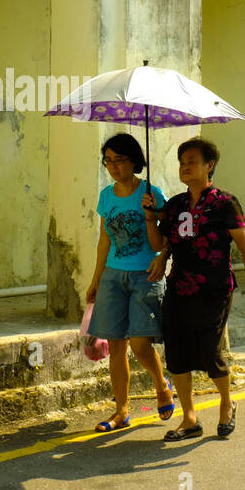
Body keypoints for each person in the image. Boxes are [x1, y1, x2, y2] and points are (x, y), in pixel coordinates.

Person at [143, 136, 245, 440]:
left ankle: (227, 403)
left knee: (209, 350)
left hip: (214, 290)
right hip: (178, 289)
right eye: (182, 163)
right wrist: (151, 218)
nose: (185, 168)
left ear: (209, 165)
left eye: (192, 162)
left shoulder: (225, 203)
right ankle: (189, 418)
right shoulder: (175, 205)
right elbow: (161, 241)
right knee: (177, 352)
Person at [85, 133, 177, 431]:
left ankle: (161, 383)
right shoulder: (106, 196)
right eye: (108, 161)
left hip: (144, 276)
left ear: (134, 161)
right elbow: (104, 240)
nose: (112, 166)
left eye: (119, 160)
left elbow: (168, 236)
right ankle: (121, 410)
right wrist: (96, 278)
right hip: (113, 275)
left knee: (140, 344)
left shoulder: (152, 193)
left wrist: (162, 257)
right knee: (116, 344)